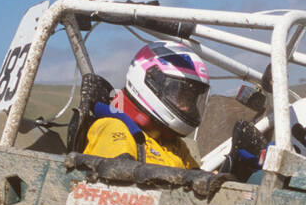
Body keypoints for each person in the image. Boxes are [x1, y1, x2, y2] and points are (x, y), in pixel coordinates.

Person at [82, 42, 210, 169]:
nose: (187, 107)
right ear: (150, 80)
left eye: (190, 100)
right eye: (181, 96)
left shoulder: (176, 145)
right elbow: (119, 180)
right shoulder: (114, 128)